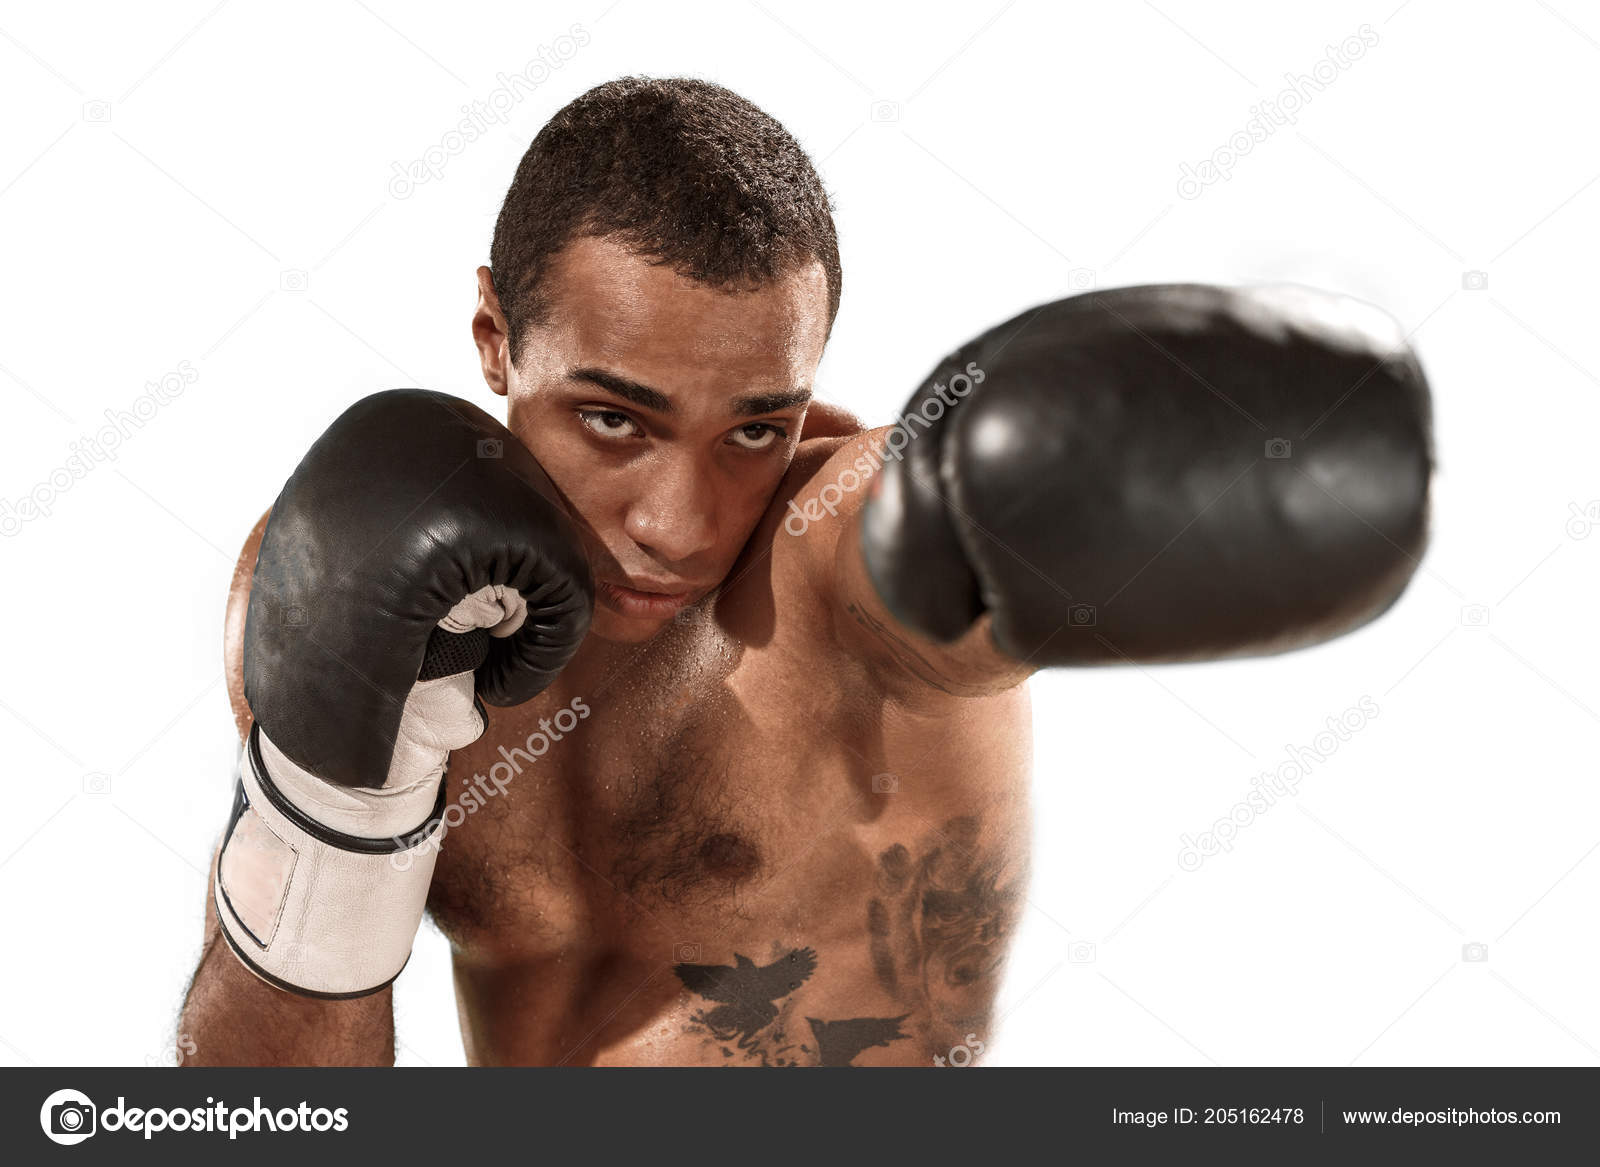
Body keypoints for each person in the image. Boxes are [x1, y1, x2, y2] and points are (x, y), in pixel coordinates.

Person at [180, 77, 1432, 1067]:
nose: (680, 525)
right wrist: (335, 818)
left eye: (754, 431)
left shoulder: (845, 568)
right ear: (494, 339)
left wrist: (1006, 508)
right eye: (614, 419)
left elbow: (916, 529)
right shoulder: (351, 581)